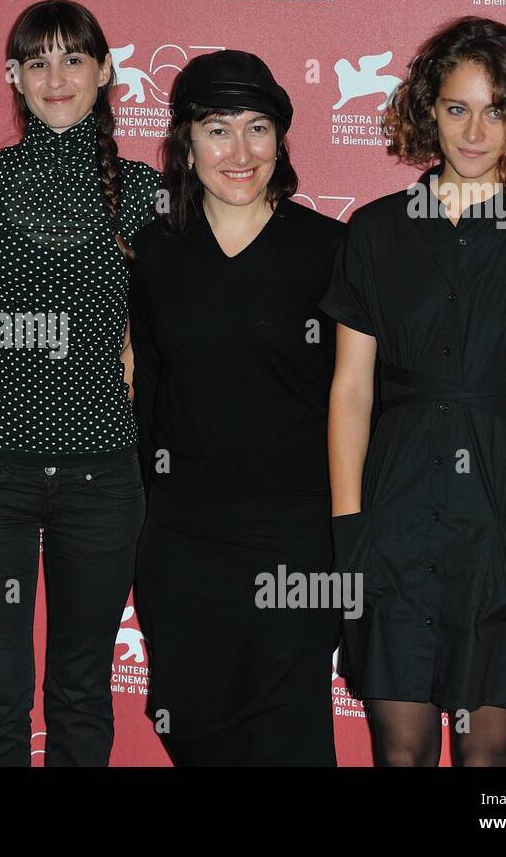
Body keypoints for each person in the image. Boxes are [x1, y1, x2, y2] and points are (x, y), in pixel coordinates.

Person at [321, 16, 506, 766]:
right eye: (457, 107)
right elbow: (351, 392)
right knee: (402, 749)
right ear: (429, 109)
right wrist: (350, 527)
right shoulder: (377, 232)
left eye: (496, 109)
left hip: (501, 519)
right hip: (391, 514)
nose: (475, 130)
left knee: (487, 758)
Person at [0, 0, 161, 767]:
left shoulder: (144, 191)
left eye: (72, 58)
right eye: (38, 60)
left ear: (104, 72)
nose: (55, 76)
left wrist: (111, 401)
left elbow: (145, 332)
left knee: (82, 693)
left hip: (104, 480)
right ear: (14, 77)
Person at [129, 50, 344, 766]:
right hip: (183, 540)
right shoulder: (157, 250)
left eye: (258, 128)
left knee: (291, 735)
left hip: (297, 537)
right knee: (191, 726)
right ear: (186, 144)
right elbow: (150, 390)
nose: (240, 150)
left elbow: (362, 401)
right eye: (218, 129)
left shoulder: (331, 251)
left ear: (281, 140)